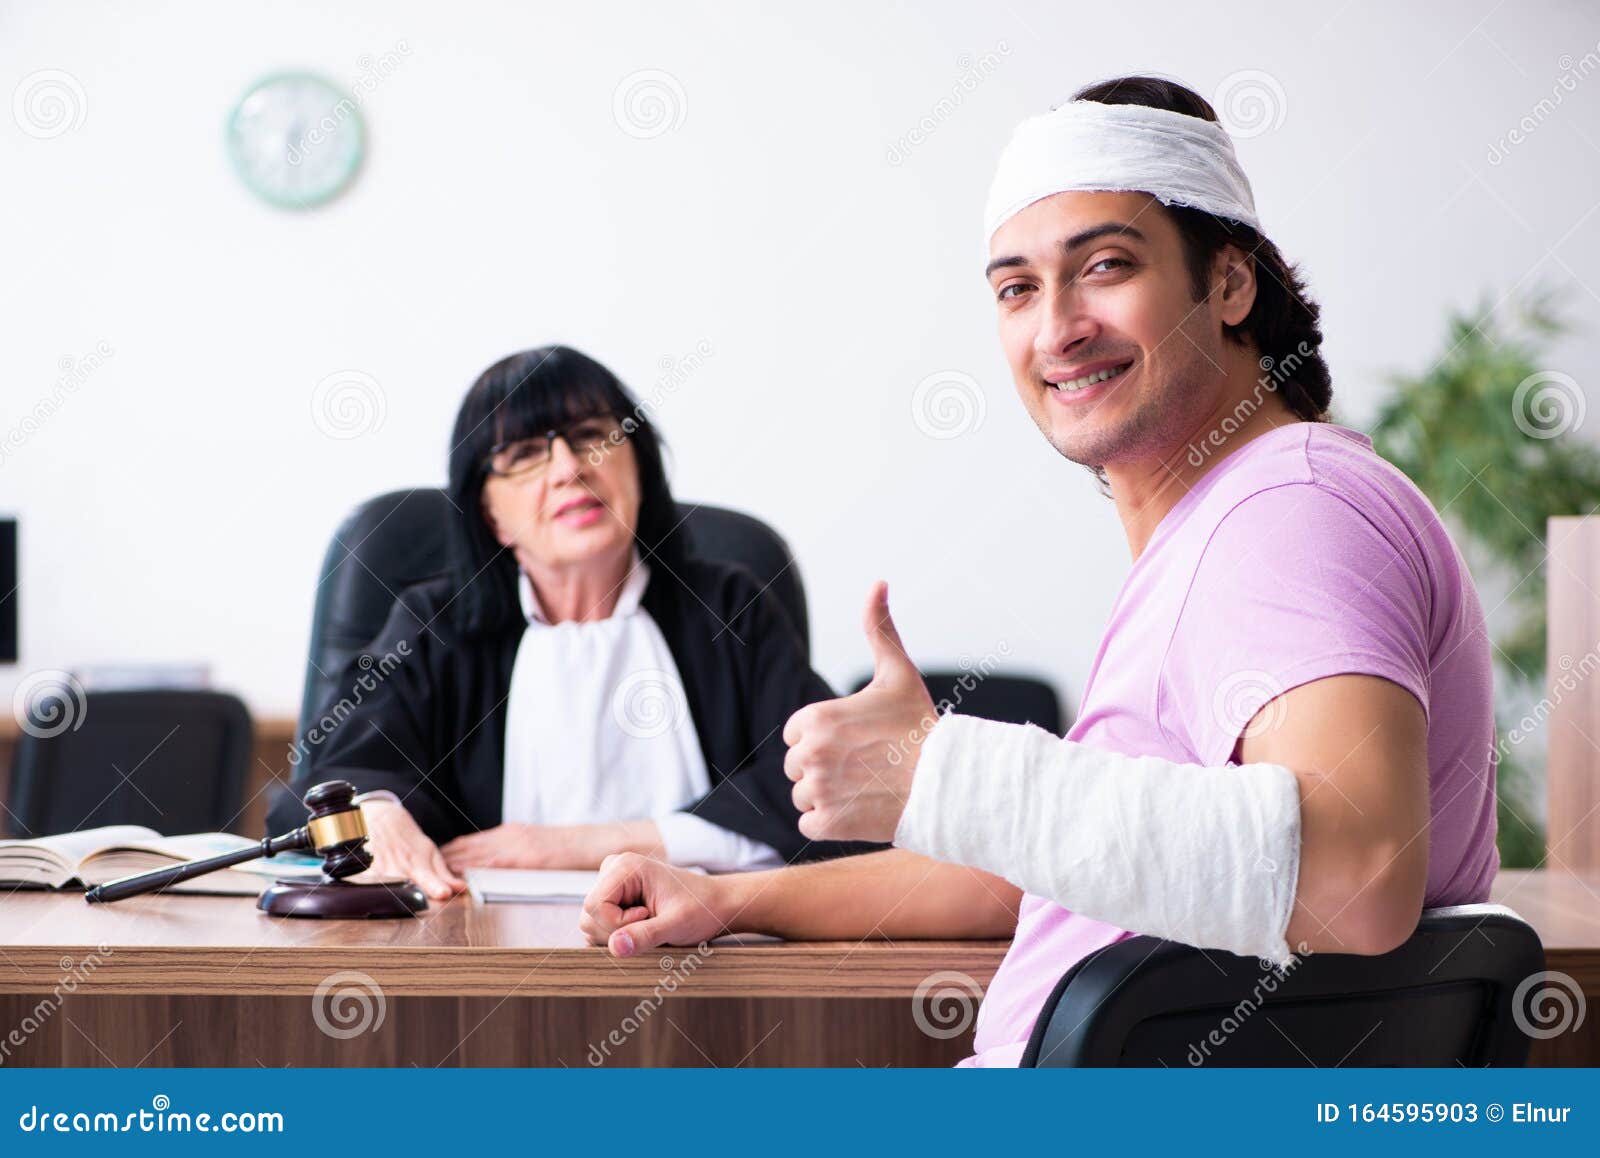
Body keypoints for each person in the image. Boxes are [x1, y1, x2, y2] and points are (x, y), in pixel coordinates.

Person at [579, 76, 1499, 1067]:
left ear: (1230, 284)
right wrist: (732, 897)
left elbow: (1357, 874)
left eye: (1104, 265)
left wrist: (945, 772)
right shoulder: (1223, 527)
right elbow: (1068, 869)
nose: (1056, 327)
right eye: (1017, 287)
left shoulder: (1288, 511)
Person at [268, 345, 874, 899]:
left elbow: (834, 794)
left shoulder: (730, 607)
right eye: (525, 454)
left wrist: (580, 844)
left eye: (590, 436)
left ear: (639, 468)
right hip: (473, 958)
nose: (568, 468)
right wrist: (374, 810)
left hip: (715, 956)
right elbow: (327, 774)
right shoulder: (435, 624)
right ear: (490, 513)